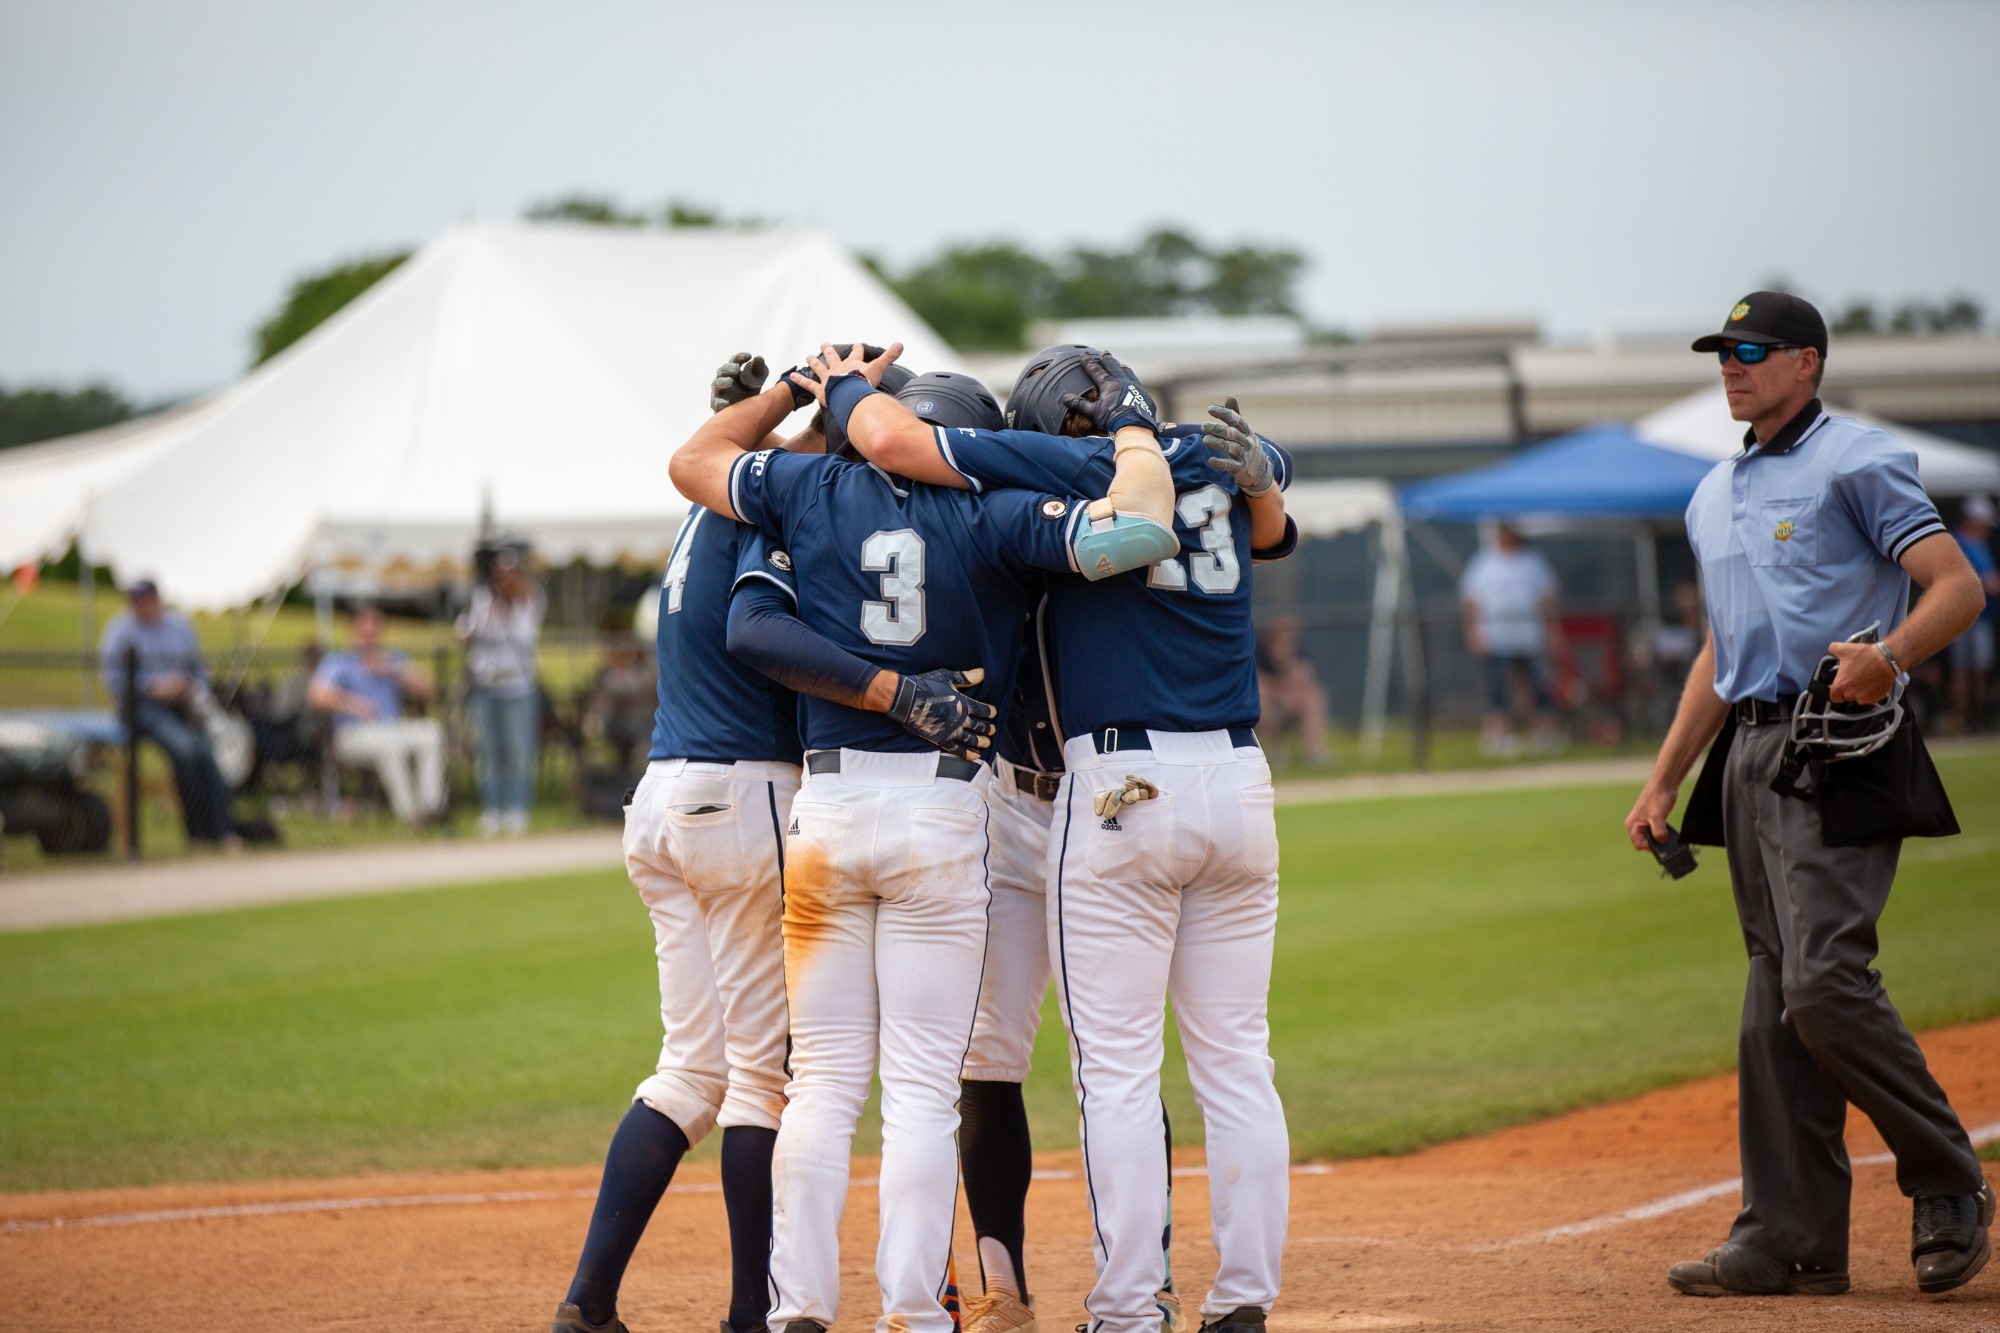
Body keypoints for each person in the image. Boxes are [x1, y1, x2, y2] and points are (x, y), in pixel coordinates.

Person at [669, 341, 1172, 1333]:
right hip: (942, 811)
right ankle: (914, 1311)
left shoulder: (809, 490)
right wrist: (1131, 440)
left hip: (830, 807)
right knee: (919, 1091)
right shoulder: (988, 511)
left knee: (818, 1084)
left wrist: (798, 385)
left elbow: (690, 464)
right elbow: (1128, 540)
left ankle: (799, 1308)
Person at [848, 344, 1297, 1333]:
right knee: (1235, 1058)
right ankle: (1242, 1299)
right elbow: (1271, 503)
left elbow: (894, 442)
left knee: (1118, 1067)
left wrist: (837, 391)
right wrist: (1258, 482)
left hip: (1115, 784)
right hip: (1234, 773)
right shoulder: (1212, 454)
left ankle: (1130, 1306)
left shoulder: (1065, 468)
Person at [1625, 291, 1992, 1300]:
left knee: (1821, 985)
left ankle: (1946, 1179)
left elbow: (1954, 585)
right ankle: (1788, 1237)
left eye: (1751, 350)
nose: (1731, 367)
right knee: (1768, 1000)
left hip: (1837, 739)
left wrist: (1888, 653)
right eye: (1721, 353)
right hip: (1745, 752)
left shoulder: (1856, 459)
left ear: (1806, 364)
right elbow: (1719, 648)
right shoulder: (1710, 492)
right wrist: (1663, 776)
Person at [97, 578, 236, 846]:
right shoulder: (120, 631)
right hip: (141, 706)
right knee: (184, 749)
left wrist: (186, 686)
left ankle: (221, 830)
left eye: (145, 598)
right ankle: (196, 834)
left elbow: (199, 672)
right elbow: (114, 682)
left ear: (156, 599)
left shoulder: (179, 627)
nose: (140, 605)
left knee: (206, 752)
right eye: (135, 599)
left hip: (182, 706)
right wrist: (152, 687)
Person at [307, 605, 446, 826]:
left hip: (392, 727)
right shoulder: (339, 662)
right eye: (365, 631)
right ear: (353, 631)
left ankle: (430, 807)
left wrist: (394, 671)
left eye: (375, 630)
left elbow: (428, 688)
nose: (370, 636)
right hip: (352, 734)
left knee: (432, 733)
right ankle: (410, 815)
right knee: (388, 744)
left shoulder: (392, 660)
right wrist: (351, 703)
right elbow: (316, 695)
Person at [456, 550, 545, 835]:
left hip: (518, 687)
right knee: (489, 753)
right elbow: (465, 634)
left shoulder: (529, 599)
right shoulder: (482, 600)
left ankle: (517, 809)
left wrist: (514, 601)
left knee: (518, 750)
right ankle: (492, 810)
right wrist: (488, 611)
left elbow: (526, 636)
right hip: (486, 686)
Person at [1458, 523, 1563, 756]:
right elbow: (1470, 599)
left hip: (1529, 635)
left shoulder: (1531, 561)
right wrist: (1475, 630)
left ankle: (1542, 733)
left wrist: (1551, 628)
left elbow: (1547, 595)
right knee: (1498, 688)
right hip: (1497, 637)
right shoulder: (1484, 562)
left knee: (1537, 686)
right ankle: (1498, 736)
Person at [1947, 494, 1997, 733]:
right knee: (1965, 672)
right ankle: (1964, 720)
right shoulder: (1961, 543)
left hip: (1981, 619)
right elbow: (1985, 583)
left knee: (1977, 671)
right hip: (1964, 619)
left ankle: (1976, 719)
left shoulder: (1979, 544)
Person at [1254, 615, 1330, 767]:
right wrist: (1280, 691)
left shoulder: (1297, 650)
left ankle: (1314, 752)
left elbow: (1305, 677)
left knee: (1314, 698)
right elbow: (1258, 685)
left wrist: (1285, 661)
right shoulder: (1258, 651)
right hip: (1271, 702)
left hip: (1290, 699)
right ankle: (1275, 752)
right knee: (1265, 705)